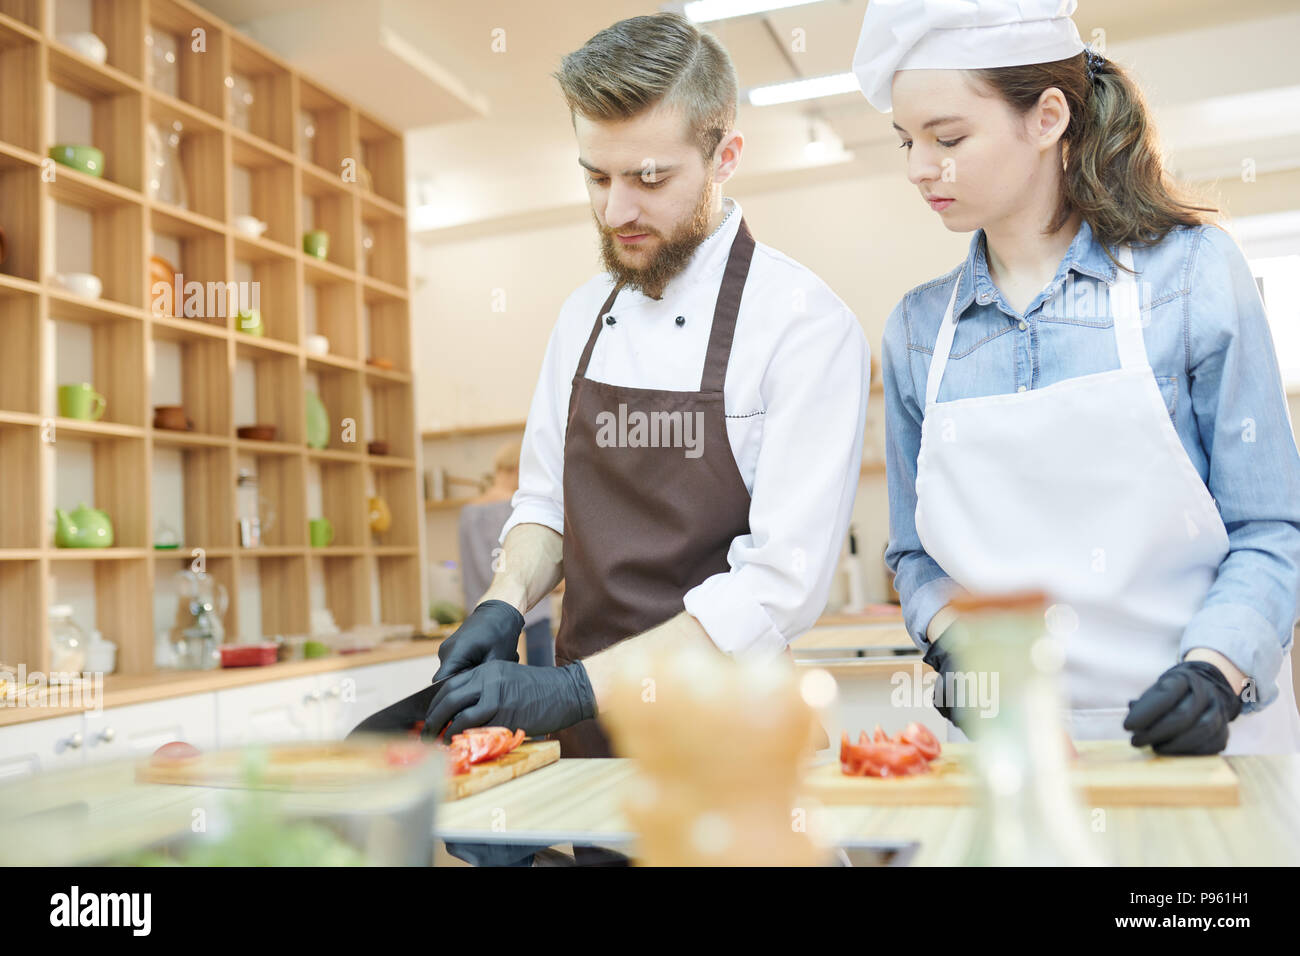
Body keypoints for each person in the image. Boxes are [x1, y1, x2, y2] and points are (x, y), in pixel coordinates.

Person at [352, 12, 869, 758]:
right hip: (582, 742)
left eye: (649, 178)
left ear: (726, 155)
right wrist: (505, 599)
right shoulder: (582, 315)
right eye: (596, 176)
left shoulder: (803, 324)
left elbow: (776, 588)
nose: (615, 210)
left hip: (732, 745)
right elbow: (546, 503)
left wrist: (573, 689)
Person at [855, 0, 1300, 754]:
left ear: (1047, 117)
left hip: (1203, 744)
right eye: (906, 140)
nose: (917, 168)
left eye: (948, 136)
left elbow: (1271, 527)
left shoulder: (1192, 275)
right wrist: (957, 645)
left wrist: (1214, 673)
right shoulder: (918, 332)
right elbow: (913, 554)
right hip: (1011, 754)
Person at [457, 441, 555, 668]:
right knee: (536, 697)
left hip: (482, 624)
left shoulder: (467, 513)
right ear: (520, 470)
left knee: (495, 695)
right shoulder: (520, 510)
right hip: (529, 622)